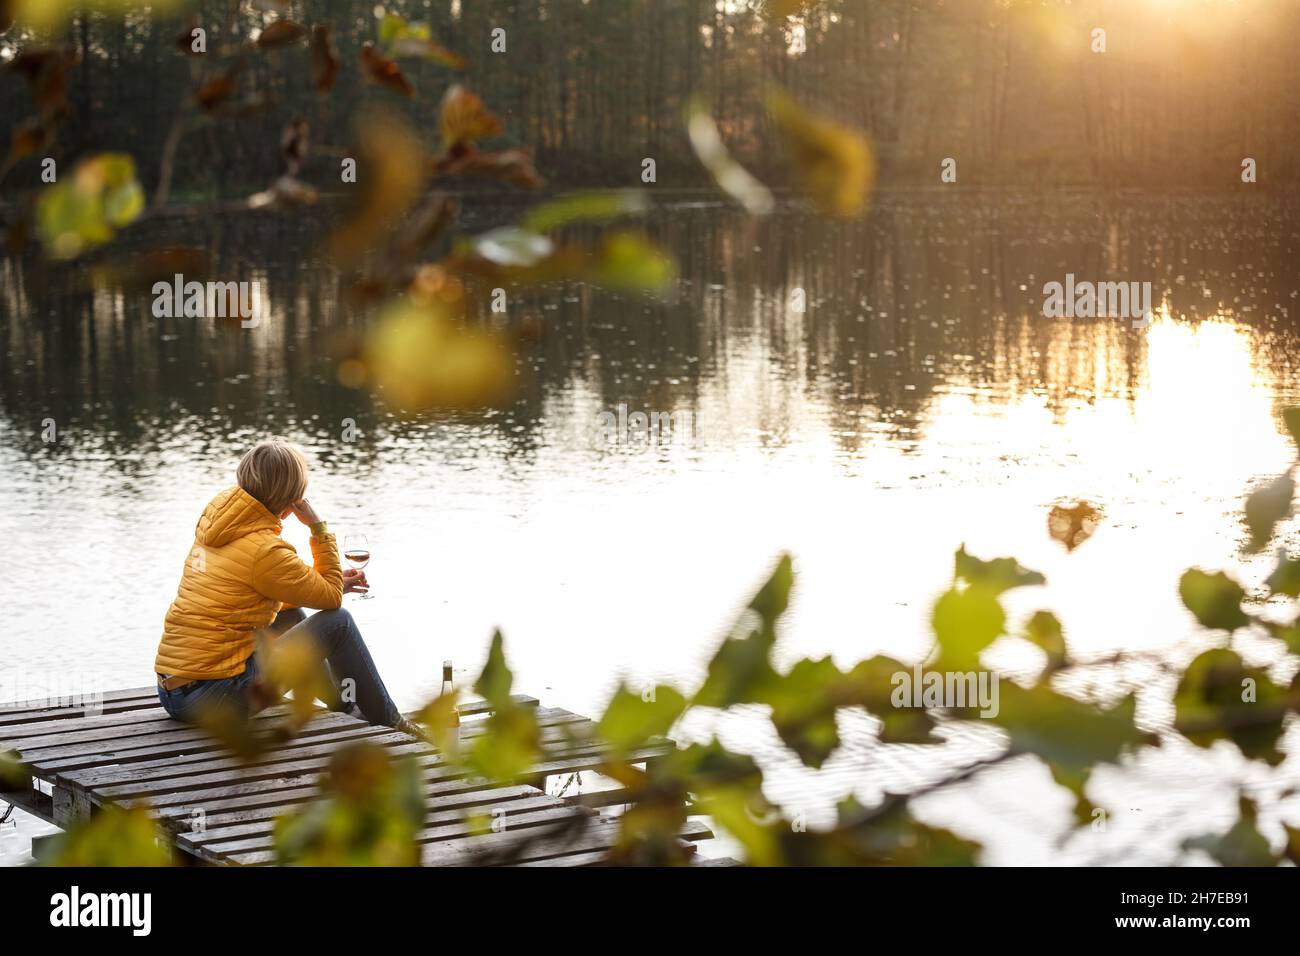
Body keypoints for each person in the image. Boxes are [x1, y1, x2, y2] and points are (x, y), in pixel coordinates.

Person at [154, 438, 417, 735]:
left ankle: (346, 708)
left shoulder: (220, 523)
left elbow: (256, 590)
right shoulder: (266, 550)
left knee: (289, 614)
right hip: (217, 701)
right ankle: (392, 723)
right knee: (338, 622)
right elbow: (331, 600)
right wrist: (318, 531)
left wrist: (320, 585)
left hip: (175, 693)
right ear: (293, 500)